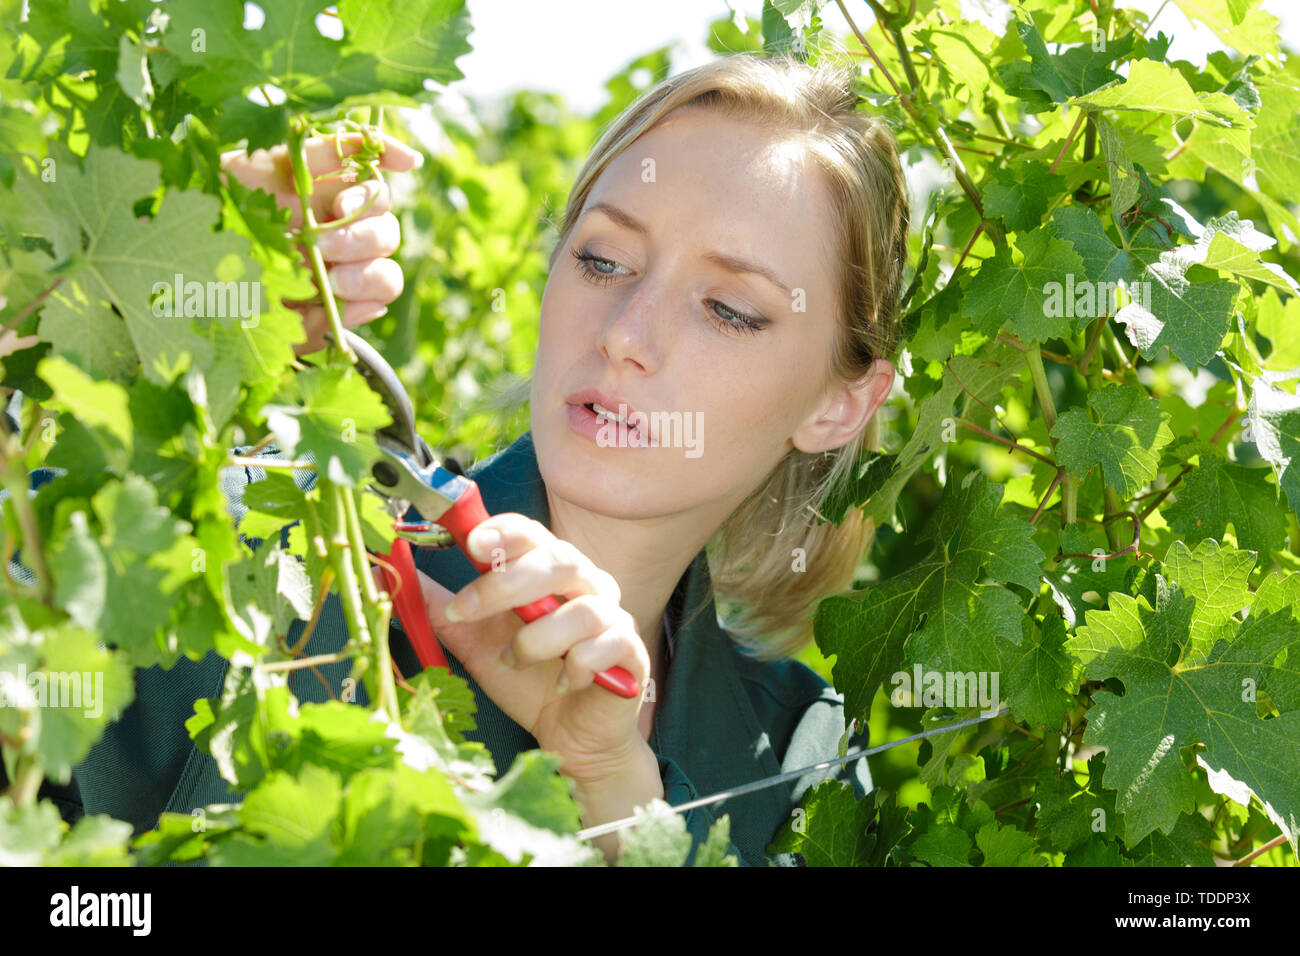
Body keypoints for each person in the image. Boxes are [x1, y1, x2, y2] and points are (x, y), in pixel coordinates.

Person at [18, 51, 910, 867]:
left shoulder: (803, 761)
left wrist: (617, 794)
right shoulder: (252, 558)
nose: (628, 336)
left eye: (729, 309)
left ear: (840, 404)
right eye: (603, 261)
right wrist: (93, 294)